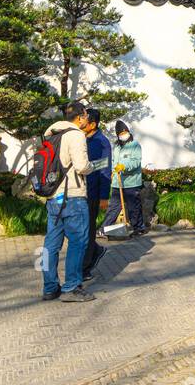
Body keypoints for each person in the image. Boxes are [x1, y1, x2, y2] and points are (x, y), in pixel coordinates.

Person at [41, 101, 96, 302]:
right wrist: (92, 166)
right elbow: (81, 166)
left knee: (49, 245)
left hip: (53, 196)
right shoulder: (76, 135)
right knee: (78, 242)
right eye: (86, 116)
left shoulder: (50, 134)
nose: (86, 120)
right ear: (80, 116)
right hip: (72, 196)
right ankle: (71, 287)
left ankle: (49, 287)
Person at [80, 107, 111, 279]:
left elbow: (104, 169)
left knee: (88, 230)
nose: (81, 122)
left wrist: (103, 197)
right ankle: (97, 250)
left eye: (84, 120)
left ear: (93, 124)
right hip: (79, 192)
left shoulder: (101, 142)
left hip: (92, 192)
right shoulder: (81, 138)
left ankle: (85, 269)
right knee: (80, 230)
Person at [104, 120, 146, 237]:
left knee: (134, 207)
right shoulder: (117, 147)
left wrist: (124, 166)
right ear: (118, 135)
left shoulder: (135, 145)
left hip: (131, 182)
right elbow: (114, 162)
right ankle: (105, 228)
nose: (124, 135)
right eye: (121, 134)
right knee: (113, 207)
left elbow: (136, 162)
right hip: (118, 182)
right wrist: (113, 172)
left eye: (125, 132)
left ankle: (138, 228)